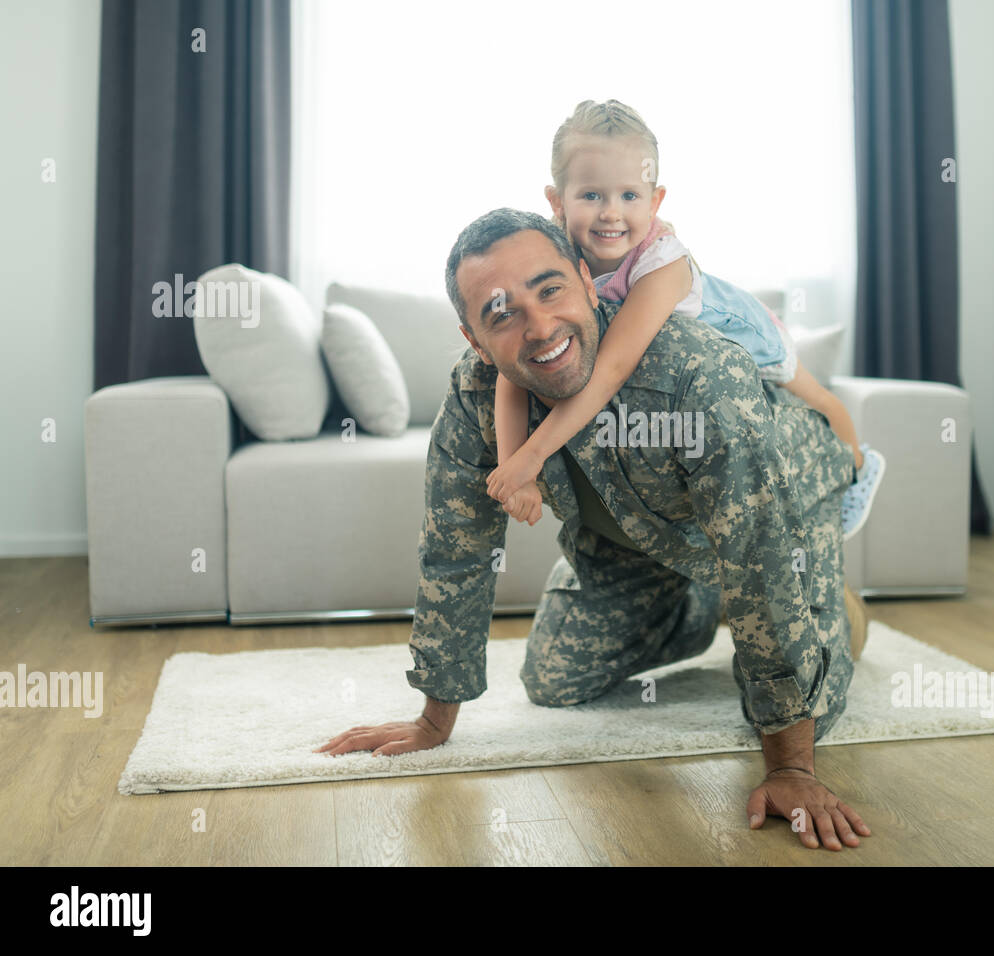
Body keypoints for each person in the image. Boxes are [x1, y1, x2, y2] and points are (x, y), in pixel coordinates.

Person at [316, 208, 872, 851]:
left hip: (785, 513)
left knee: (809, 709)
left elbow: (760, 552)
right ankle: (711, 603)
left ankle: (826, 617)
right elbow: (455, 552)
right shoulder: (474, 397)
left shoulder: (696, 374)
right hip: (645, 537)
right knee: (554, 679)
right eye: (502, 313)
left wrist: (790, 767)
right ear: (475, 340)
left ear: (586, 278)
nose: (540, 326)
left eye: (549, 289)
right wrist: (433, 721)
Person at [483, 100, 881, 541]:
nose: (611, 212)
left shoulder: (661, 263)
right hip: (693, 373)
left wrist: (534, 455)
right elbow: (514, 368)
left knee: (820, 401)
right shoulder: (552, 253)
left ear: (655, 201)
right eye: (592, 195)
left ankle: (859, 471)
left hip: (743, 329)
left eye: (629, 196)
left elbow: (612, 369)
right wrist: (512, 465)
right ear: (557, 201)